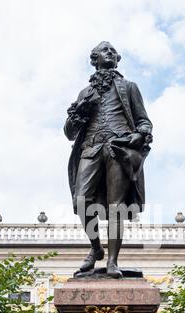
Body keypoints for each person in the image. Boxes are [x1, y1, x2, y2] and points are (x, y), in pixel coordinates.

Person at [64, 41, 152, 278]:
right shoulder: (85, 93)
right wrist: (80, 111)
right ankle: (96, 248)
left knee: (116, 207)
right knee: (81, 200)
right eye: (105, 50)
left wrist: (138, 134)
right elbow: (69, 132)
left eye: (113, 51)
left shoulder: (129, 87)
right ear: (95, 59)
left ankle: (112, 261)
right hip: (90, 148)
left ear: (117, 58)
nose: (110, 53)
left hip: (118, 149)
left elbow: (143, 121)